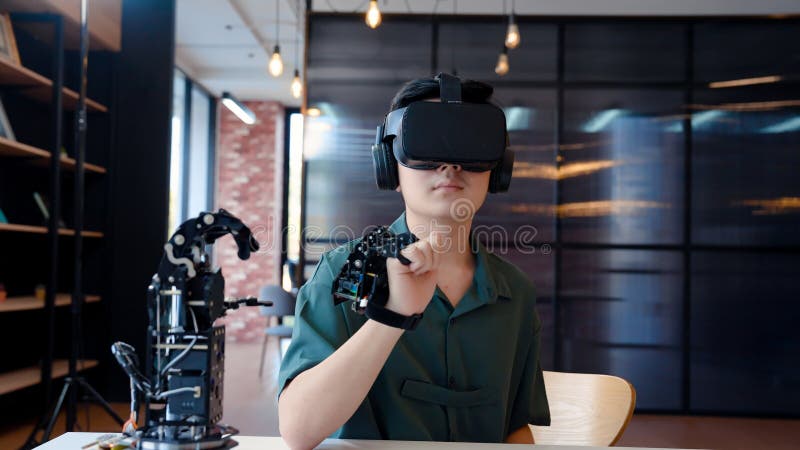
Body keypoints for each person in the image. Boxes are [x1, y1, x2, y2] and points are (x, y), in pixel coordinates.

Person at [278, 75, 550, 450]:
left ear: (497, 170)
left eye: (469, 144)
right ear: (390, 165)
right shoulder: (344, 271)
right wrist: (392, 317)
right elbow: (298, 430)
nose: (449, 165)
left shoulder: (514, 292)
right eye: (427, 143)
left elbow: (515, 430)